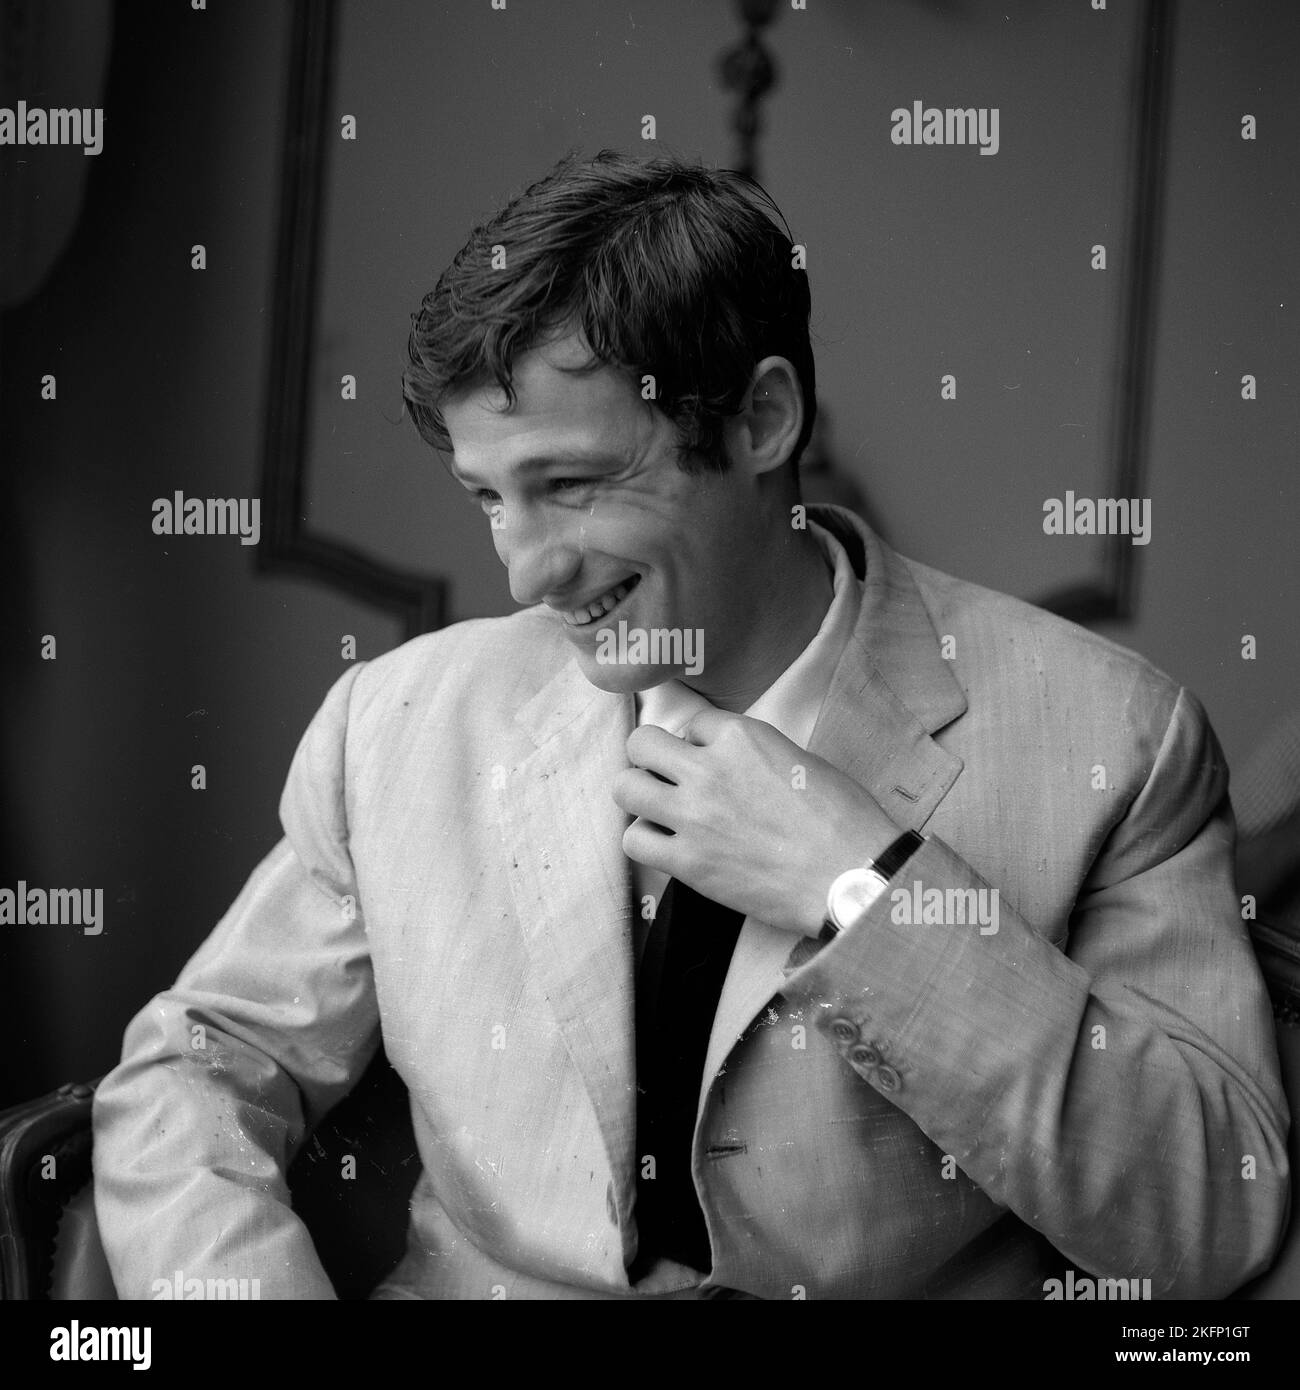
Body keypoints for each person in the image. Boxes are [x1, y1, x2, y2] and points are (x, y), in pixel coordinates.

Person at [92, 150, 1290, 1300]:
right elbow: (196, 1066)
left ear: (762, 421)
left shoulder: (1114, 740)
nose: (525, 573)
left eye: (571, 485)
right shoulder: (394, 723)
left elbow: (1206, 1214)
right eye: (487, 499)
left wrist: (863, 890)